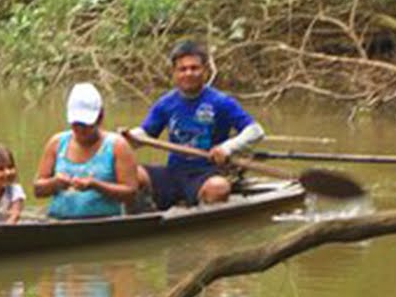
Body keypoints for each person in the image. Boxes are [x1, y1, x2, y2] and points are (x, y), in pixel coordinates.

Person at [123, 40, 266, 209]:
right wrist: (126, 138)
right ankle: (147, 213)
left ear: (205, 71)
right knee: (131, 175)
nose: (188, 73)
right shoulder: (166, 103)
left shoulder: (221, 102)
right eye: (182, 69)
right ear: (174, 73)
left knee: (219, 188)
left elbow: (255, 131)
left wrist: (227, 148)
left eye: (194, 68)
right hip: (174, 172)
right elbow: (145, 135)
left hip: (206, 174)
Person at [33, 82, 139, 219]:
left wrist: (96, 185)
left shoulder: (117, 146)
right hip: (58, 220)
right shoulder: (57, 143)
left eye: (86, 124)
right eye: (76, 124)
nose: (81, 129)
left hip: (102, 223)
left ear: (100, 117)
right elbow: (37, 189)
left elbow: (131, 193)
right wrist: (55, 183)